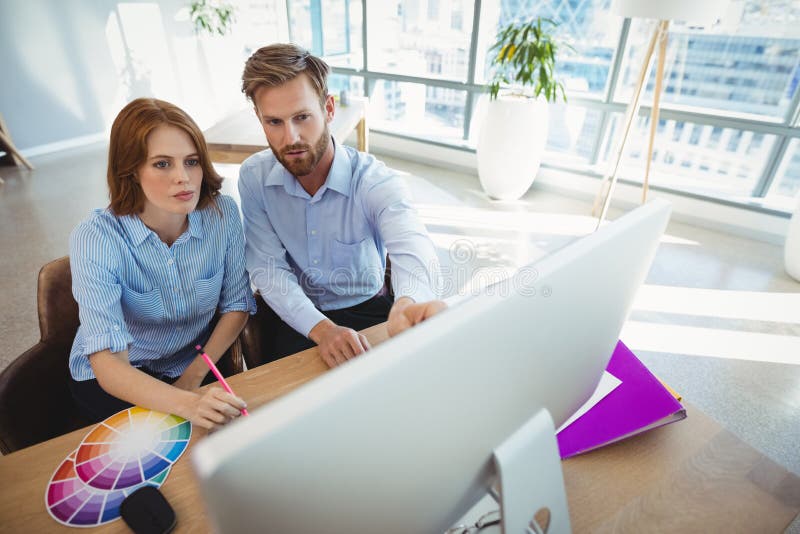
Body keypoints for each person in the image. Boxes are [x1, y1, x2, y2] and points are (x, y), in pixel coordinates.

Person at [238, 43, 446, 368]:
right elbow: (269, 270)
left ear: (329, 109)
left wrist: (408, 302)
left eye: (302, 117)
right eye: (274, 122)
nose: (290, 137)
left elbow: (413, 245)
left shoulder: (373, 180)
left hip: (368, 308)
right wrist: (322, 330)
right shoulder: (254, 177)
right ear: (259, 119)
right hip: (298, 315)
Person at [68, 98, 256, 431]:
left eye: (192, 161)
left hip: (194, 360)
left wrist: (193, 377)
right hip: (121, 375)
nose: (184, 178)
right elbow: (109, 363)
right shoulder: (96, 237)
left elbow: (236, 305)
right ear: (131, 171)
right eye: (162, 164)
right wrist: (186, 403)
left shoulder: (223, 213)